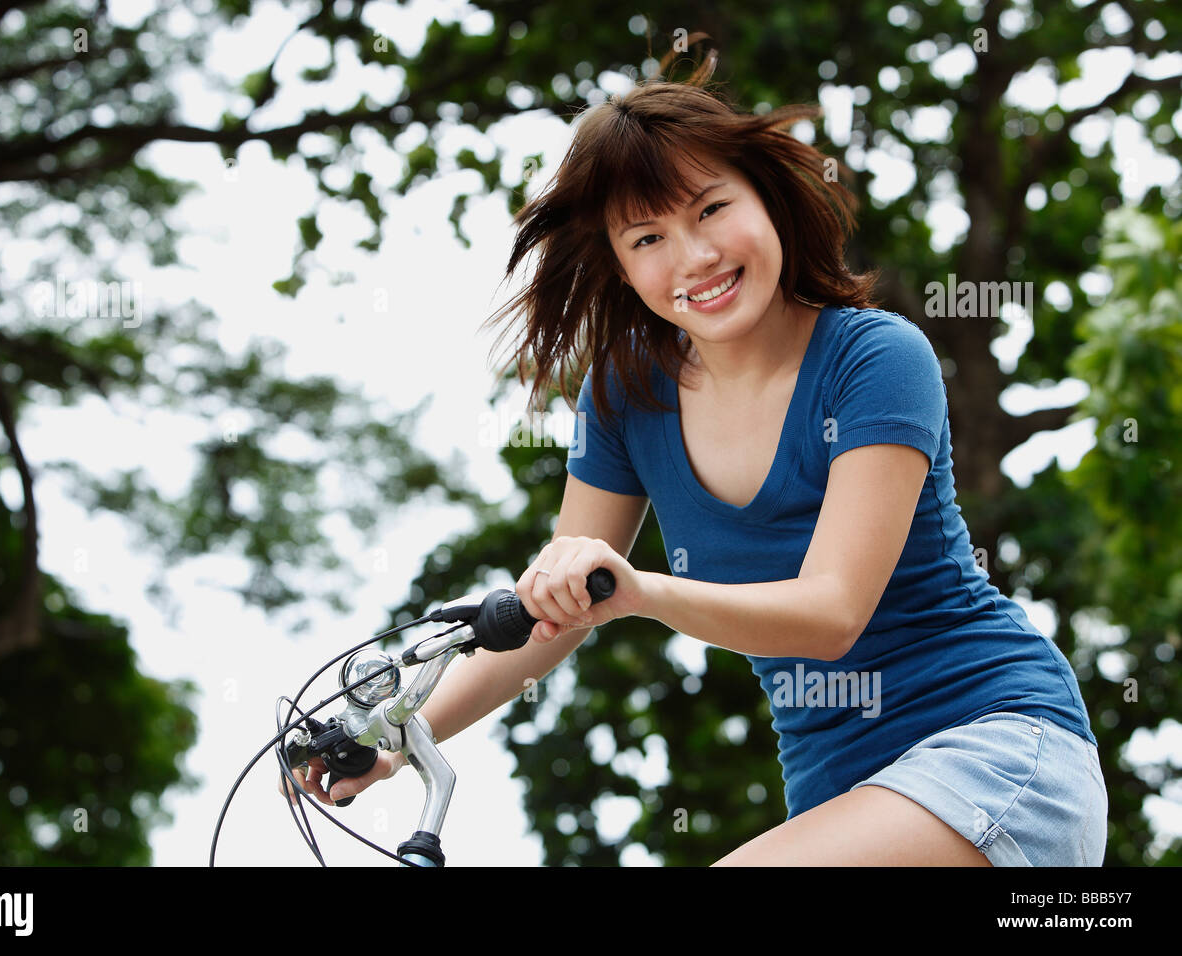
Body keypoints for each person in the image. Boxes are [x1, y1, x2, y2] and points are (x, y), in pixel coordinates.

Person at [284, 50, 1109, 867]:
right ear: (621, 265)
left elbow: (831, 613)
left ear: (769, 198)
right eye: (649, 236)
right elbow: (549, 618)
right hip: (836, 796)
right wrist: (401, 743)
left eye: (712, 209)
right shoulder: (626, 394)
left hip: (997, 750)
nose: (696, 256)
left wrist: (642, 593)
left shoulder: (876, 360)